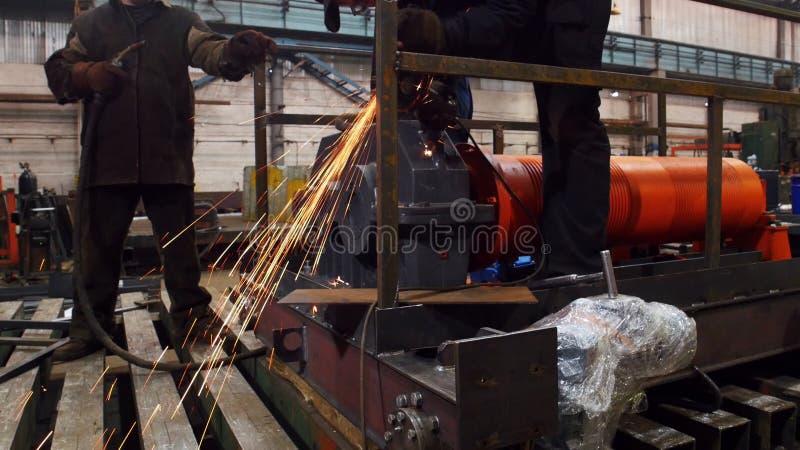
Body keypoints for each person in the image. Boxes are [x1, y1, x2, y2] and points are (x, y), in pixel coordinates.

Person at [45, 0, 277, 361]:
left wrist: (235, 51)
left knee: (181, 249)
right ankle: (90, 330)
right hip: (108, 160)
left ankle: (193, 320)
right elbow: (60, 72)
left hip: (166, 157)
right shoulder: (92, 25)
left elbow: (209, 50)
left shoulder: (181, 22)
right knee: (97, 252)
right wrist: (89, 74)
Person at [397, 0, 612, 276]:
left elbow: (511, 11)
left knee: (569, 120)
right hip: (511, 9)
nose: (361, 7)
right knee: (554, 127)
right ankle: (548, 253)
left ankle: (576, 271)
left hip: (569, 9)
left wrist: (441, 34)